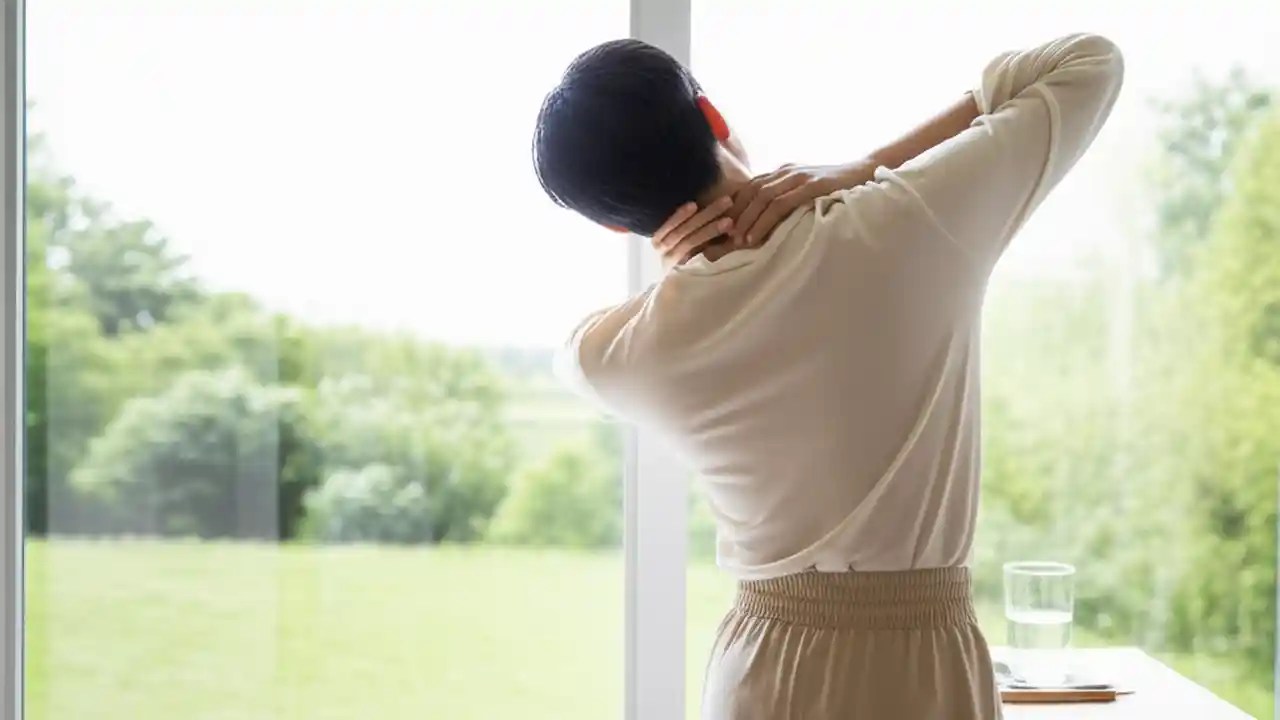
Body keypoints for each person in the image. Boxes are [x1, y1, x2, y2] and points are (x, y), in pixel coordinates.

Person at [532, 33, 1123, 719]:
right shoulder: (907, 218)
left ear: (614, 226)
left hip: (761, 668)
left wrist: (678, 275)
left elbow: (572, 353)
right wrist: (869, 168)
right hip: (923, 663)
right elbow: (1087, 61)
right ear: (713, 117)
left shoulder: (637, 351)